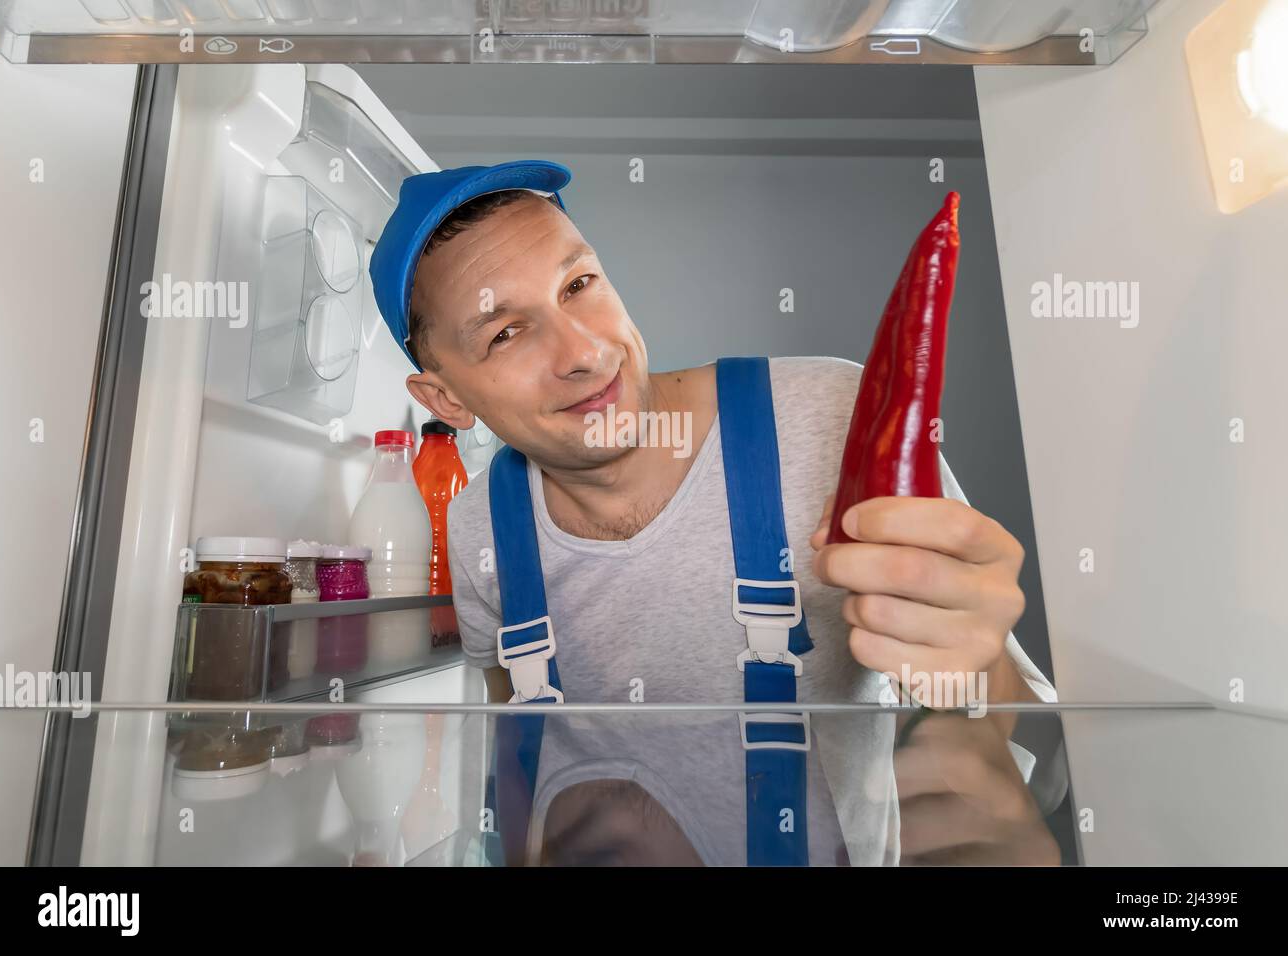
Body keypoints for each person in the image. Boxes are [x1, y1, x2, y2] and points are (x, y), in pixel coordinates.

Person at [370, 160, 1057, 866]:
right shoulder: (480, 523)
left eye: (578, 285)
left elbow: (1031, 743)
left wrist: (977, 671)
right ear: (445, 400)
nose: (583, 352)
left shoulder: (829, 414)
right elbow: (513, 752)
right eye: (505, 334)